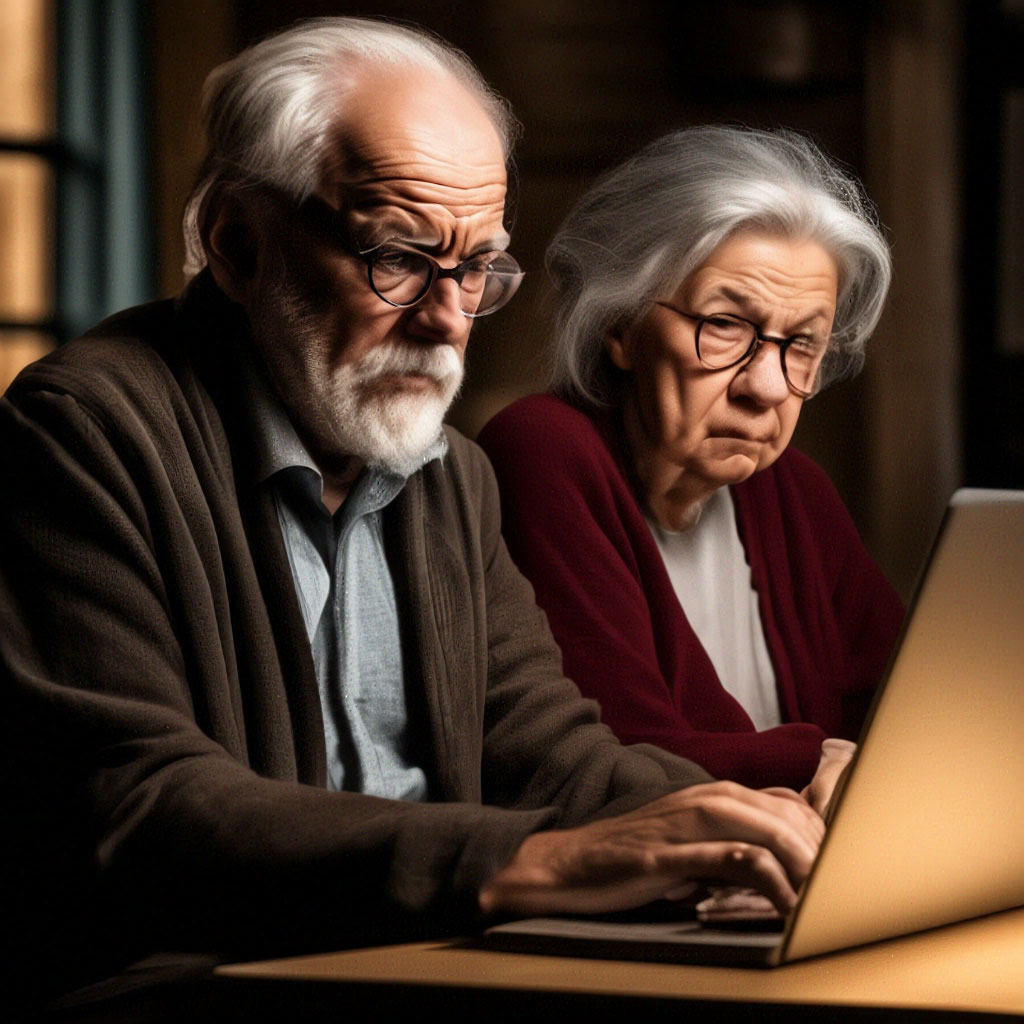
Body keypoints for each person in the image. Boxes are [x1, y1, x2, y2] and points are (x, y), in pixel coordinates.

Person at [0, 22, 825, 1013]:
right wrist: (537, 862)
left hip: (426, 965)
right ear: (235, 240)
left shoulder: (451, 474)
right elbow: (142, 806)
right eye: (398, 258)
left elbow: (550, 753)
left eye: (477, 268)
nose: (445, 317)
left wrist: (767, 820)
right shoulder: (82, 427)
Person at [478, 127, 905, 796]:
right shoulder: (543, 451)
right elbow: (621, 755)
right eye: (726, 325)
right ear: (619, 323)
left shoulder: (795, 491)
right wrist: (822, 764)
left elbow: (907, 711)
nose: (765, 386)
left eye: (802, 343)